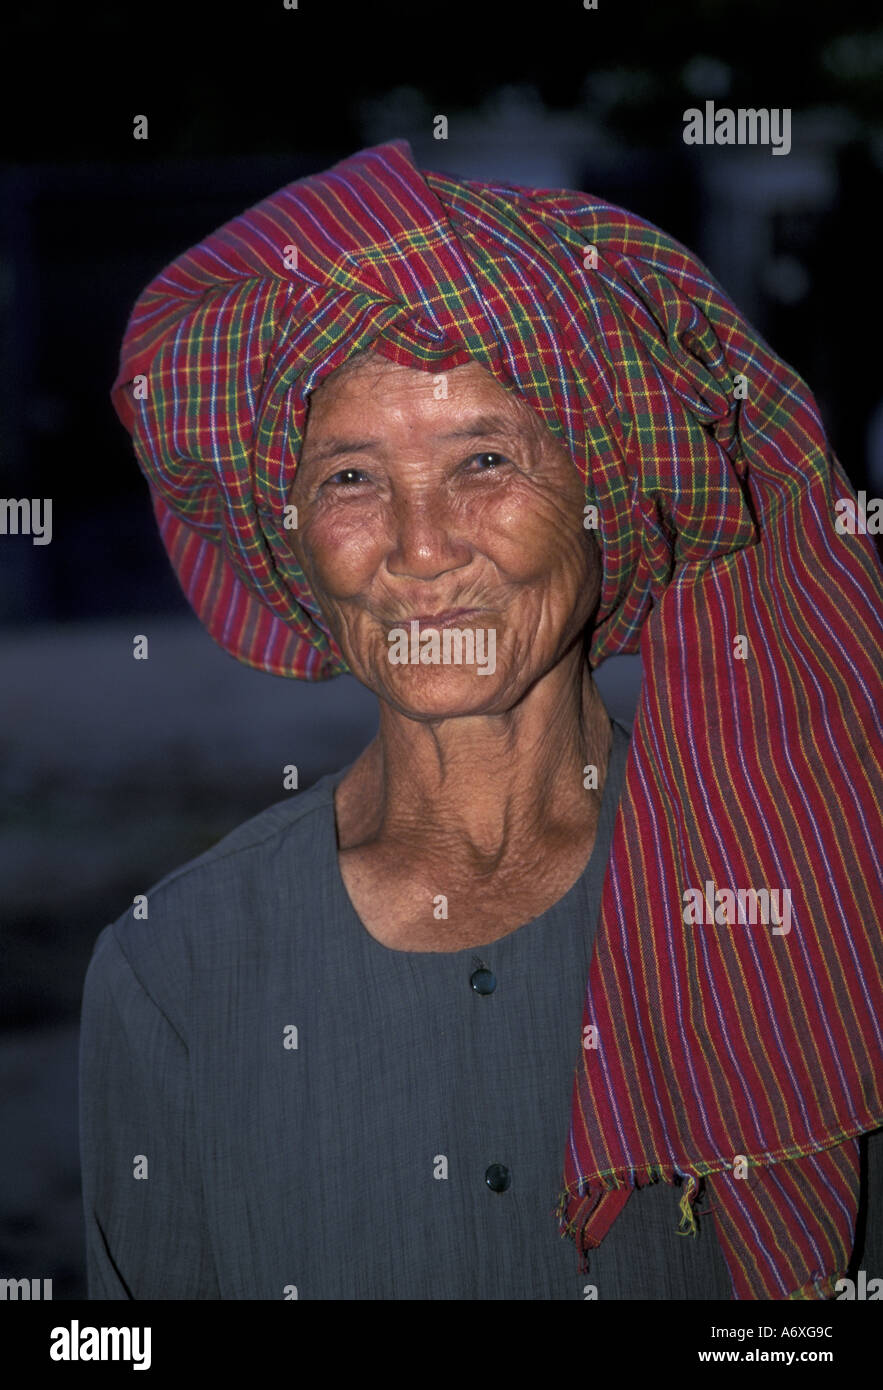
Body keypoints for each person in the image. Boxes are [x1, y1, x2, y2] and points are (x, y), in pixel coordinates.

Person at [79, 139, 883, 1300]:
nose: (419, 548)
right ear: (294, 536)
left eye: (486, 460)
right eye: (350, 478)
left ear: (606, 495)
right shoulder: (175, 969)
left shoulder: (812, 894)